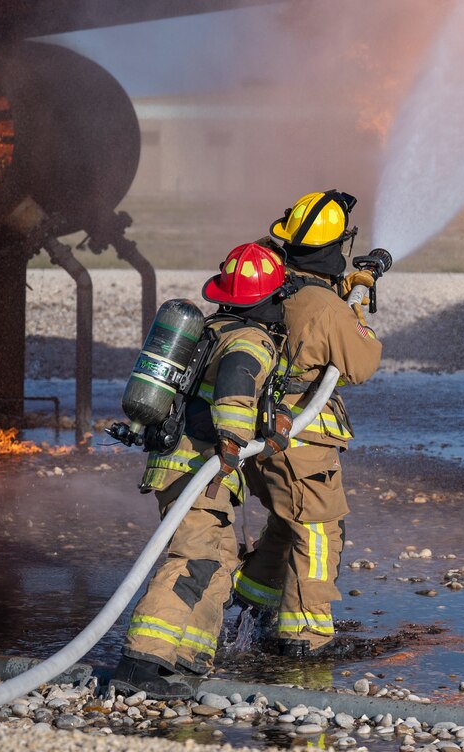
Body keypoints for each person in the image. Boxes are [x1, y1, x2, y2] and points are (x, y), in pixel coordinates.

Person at [111, 242, 289, 698]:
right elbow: (235, 385)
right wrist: (233, 440)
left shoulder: (214, 329)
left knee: (219, 561)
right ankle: (142, 662)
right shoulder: (250, 340)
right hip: (198, 468)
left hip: (189, 468)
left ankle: (188, 659)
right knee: (191, 560)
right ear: (270, 300)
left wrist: (272, 425)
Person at [232, 190, 382, 658]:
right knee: (318, 531)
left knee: (286, 520)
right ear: (337, 248)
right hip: (298, 441)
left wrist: (340, 290)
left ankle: (253, 604)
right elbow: (362, 362)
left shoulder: (273, 282)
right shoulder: (325, 308)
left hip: (255, 433)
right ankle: (305, 639)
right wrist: (355, 306)